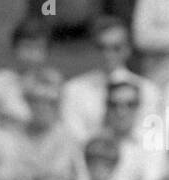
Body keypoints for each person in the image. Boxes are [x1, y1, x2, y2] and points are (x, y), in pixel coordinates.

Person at [61, 15, 161, 144]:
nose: (108, 54)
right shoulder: (74, 89)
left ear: (128, 49)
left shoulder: (148, 90)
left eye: (116, 48)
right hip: (91, 158)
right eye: (101, 47)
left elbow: (149, 136)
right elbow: (73, 135)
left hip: (136, 159)